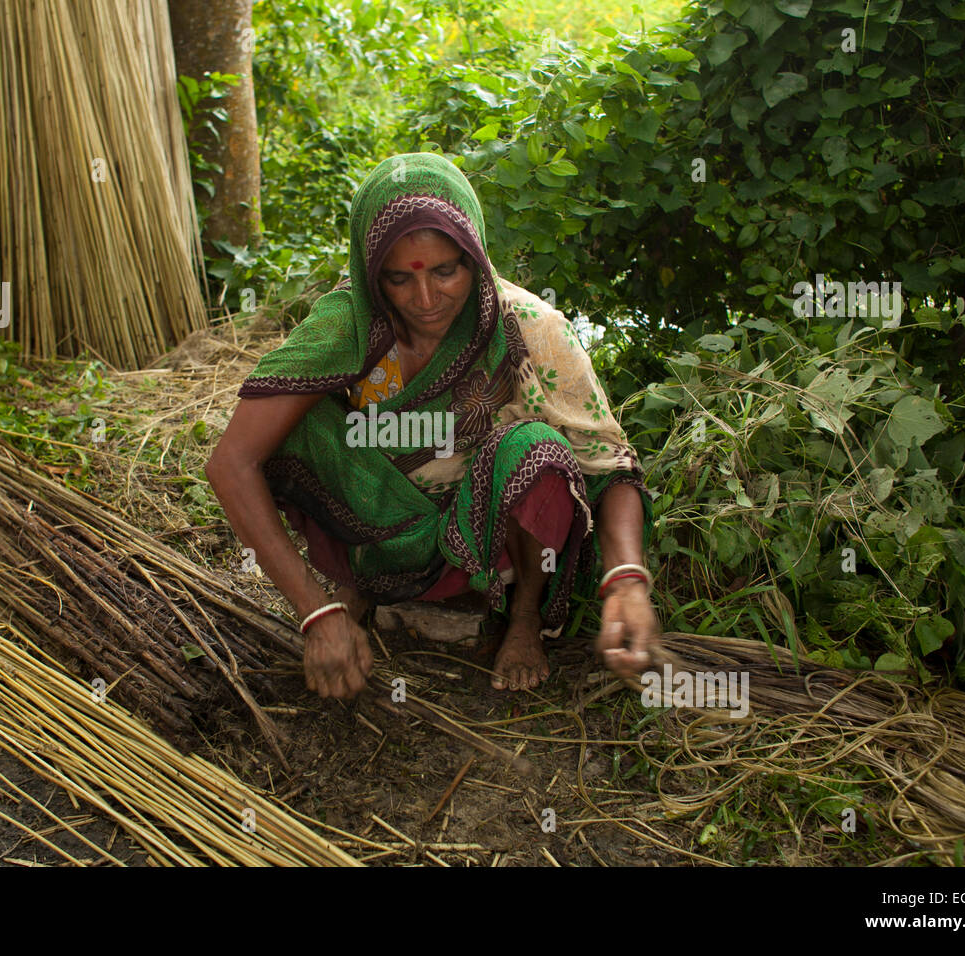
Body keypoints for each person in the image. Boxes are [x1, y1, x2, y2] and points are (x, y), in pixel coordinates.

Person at [206, 152, 660, 699]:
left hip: (486, 536)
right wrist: (314, 612)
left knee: (537, 451)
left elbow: (609, 463)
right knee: (292, 424)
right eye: (399, 279)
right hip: (380, 523)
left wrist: (628, 580)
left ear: (474, 256)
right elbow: (232, 461)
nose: (426, 300)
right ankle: (356, 585)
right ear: (371, 273)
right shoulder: (347, 324)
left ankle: (522, 619)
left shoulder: (527, 326)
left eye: (447, 271)